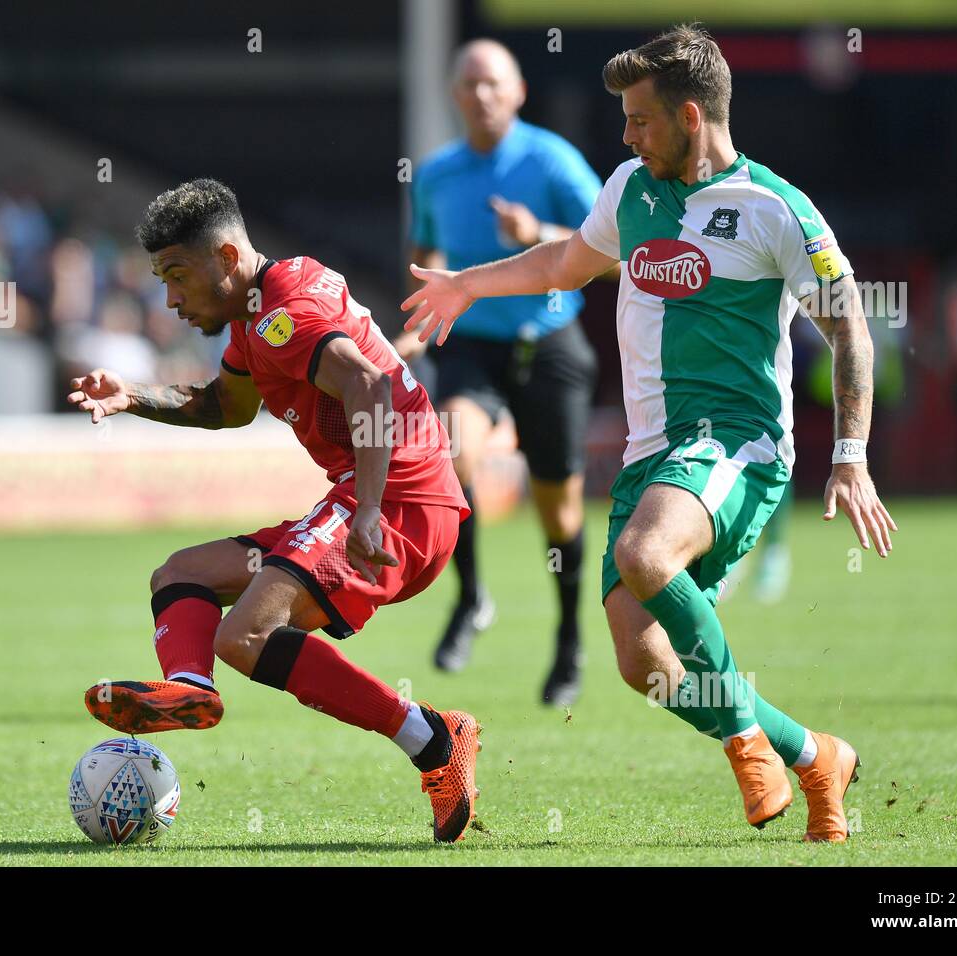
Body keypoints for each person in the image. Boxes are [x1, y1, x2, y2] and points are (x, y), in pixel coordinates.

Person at [402, 25, 898, 842]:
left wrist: (852, 456)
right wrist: (466, 286)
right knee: (645, 667)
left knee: (644, 558)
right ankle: (815, 755)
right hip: (651, 457)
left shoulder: (777, 210)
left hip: (738, 441)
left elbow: (851, 329)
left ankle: (745, 744)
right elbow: (563, 264)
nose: (626, 135)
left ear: (692, 116)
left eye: (640, 119)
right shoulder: (631, 187)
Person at [69, 179, 481, 842]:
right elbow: (222, 409)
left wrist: (369, 511)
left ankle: (432, 741)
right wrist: (135, 395)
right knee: (179, 575)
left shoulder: (281, 314)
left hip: (399, 504)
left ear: (227, 260)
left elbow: (368, 385)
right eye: (160, 279)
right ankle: (189, 687)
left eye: (177, 275)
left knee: (244, 637)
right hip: (371, 500)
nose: (169, 298)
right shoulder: (256, 320)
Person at [395, 39, 607, 706]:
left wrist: (536, 231)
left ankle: (570, 642)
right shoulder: (434, 174)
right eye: (468, 84)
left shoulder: (552, 160)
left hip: (547, 342)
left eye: (493, 83)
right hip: (471, 347)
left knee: (559, 512)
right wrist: (413, 322)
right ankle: (470, 599)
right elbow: (425, 248)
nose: (481, 95)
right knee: (453, 463)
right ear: (454, 96)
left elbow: (618, 248)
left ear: (517, 92)